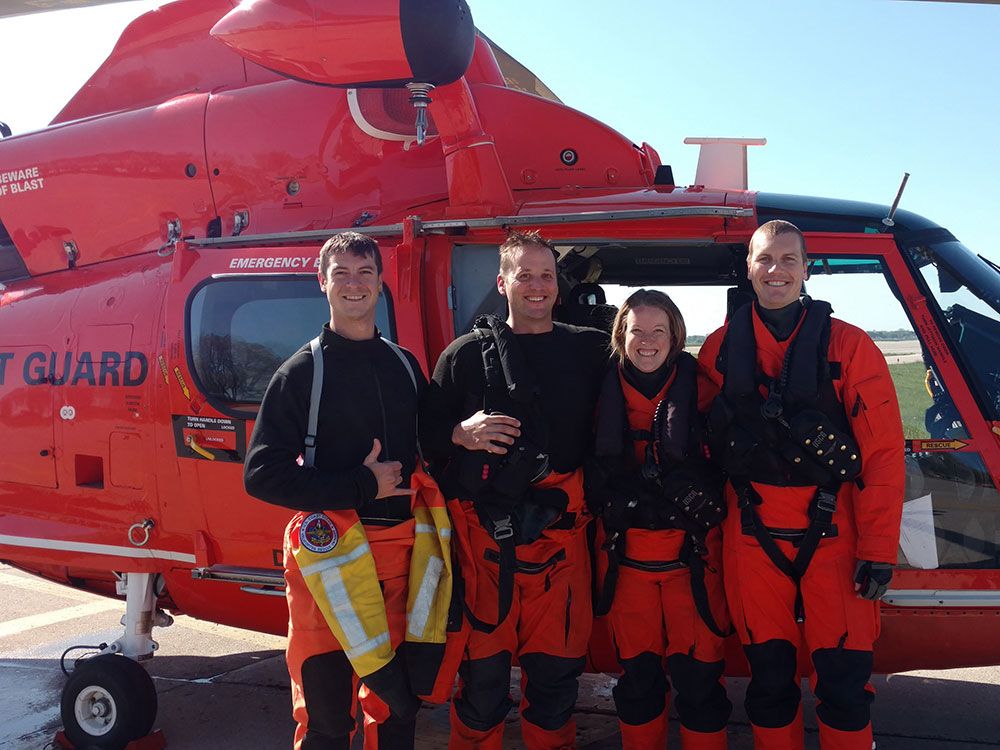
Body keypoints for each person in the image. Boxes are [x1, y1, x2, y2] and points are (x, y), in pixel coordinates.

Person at [698, 220, 904, 749]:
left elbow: (881, 455)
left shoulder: (851, 348)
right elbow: (701, 449)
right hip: (751, 534)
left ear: (807, 268)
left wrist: (879, 549)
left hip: (835, 534)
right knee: (768, 682)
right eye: (765, 259)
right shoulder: (718, 351)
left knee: (844, 684)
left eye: (789, 260)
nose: (776, 270)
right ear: (748, 268)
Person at [244, 231, 452, 750]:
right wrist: (361, 484)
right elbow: (262, 473)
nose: (354, 285)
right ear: (322, 282)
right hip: (329, 563)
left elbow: (435, 435)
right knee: (326, 723)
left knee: (396, 713)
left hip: (400, 562)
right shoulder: (301, 372)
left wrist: (462, 432)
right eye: (342, 274)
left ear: (381, 285)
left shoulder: (404, 366)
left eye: (365, 273)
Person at [421, 230, 609, 749]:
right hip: (486, 550)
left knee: (554, 687)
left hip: (562, 549)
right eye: (524, 275)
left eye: (546, 275)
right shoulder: (462, 356)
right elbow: (423, 437)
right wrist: (460, 434)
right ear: (502, 282)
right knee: (481, 690)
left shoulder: (590, 350)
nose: (537, 286)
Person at [588, 289, 731, 749]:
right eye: (636, 331)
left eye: (658, 332)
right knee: (638, 682)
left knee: (700, 684)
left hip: (693, 561)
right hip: (626, 561)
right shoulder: (596, 393)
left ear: (676, 338)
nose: (646, 342)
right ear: (620, 336)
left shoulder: (706, 392)